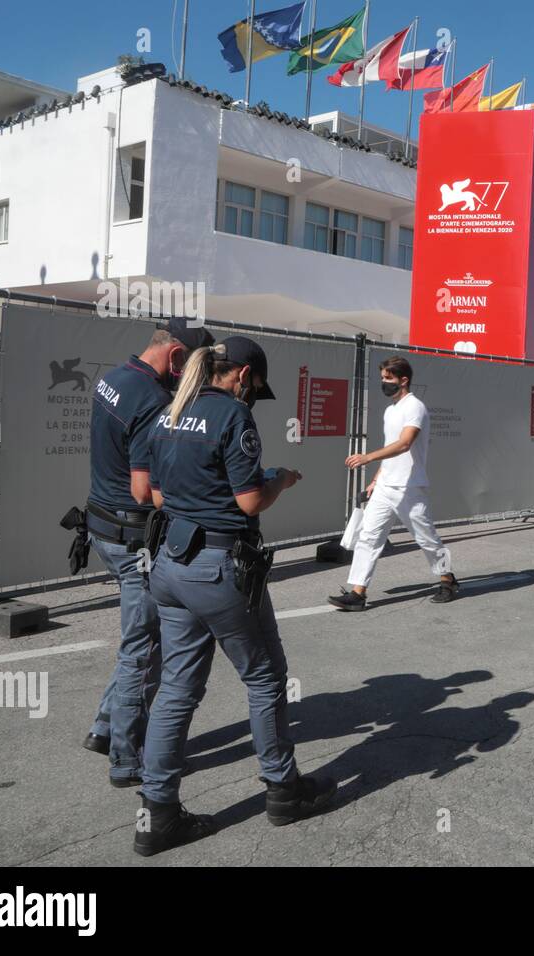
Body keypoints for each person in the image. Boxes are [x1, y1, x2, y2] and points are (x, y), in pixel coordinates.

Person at [136, 336, 335, 856]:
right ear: (243, 376)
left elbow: (156, 495)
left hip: (170, 566)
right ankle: (283, 790)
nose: (253, 397)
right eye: (256, 387)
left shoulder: (170, 412)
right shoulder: (232, 418)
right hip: (219, 568)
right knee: (265, 676)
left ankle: (157, 815)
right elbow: (248, 502)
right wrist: (281, 480)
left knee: (178, 688)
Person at [81, 317, 212, 789]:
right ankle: (127, 757)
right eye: (192, 366)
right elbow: (142, 491)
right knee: (145, 646)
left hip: (101, 526)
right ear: (176, 356)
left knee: (137, 639)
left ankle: (104, 727)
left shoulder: (114, 377)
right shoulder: (155, 401)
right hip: (132, 535)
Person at [328, 355, 458, 610]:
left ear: (403, 380)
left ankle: (448, 579)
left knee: (427, 539)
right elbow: (391, 448)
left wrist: (367, 457)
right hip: (385, 487)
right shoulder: (390, 410)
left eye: (388, 378)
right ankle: (357, 593)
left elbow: (405, 443)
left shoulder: (415, 407)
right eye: (382, 378)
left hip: (410, 487)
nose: (384, 383)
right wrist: (376, 478)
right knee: (368, 537)